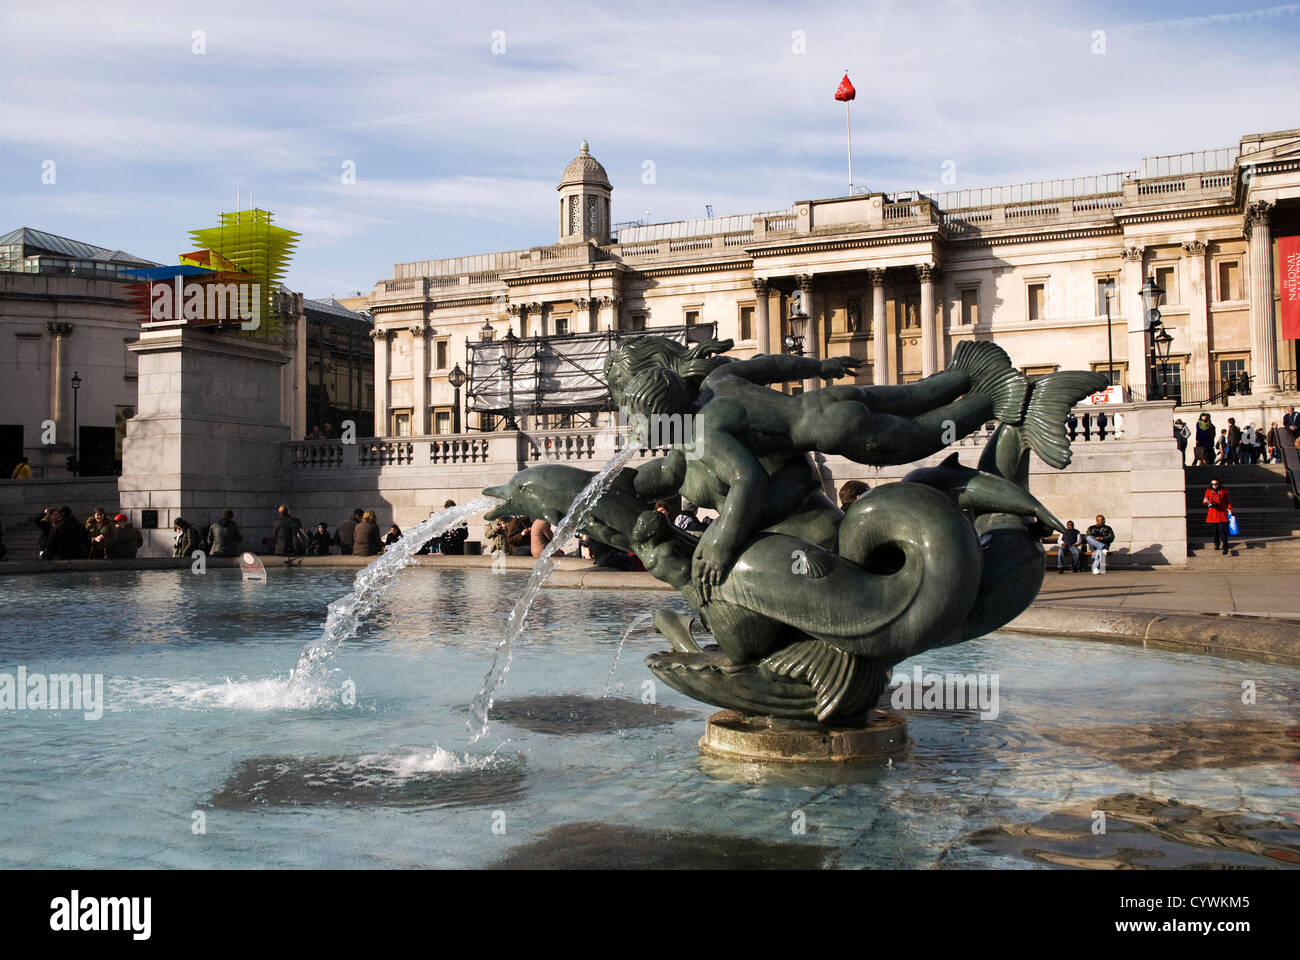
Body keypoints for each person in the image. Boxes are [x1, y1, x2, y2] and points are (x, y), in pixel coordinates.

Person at [1203, 477, 1233, 555]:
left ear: (1219, 483)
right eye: (1213, 484)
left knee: (1222, 531)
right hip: (1213, 514)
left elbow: (1228, 501)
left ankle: (1225, 547)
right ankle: (1217, 544)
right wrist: (1207, 502)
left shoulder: (1224, 490)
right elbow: (1205, 500)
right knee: (1214, 532)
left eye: (1216, 484)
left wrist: (1229, 508)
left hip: (1222, 514)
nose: (1214, 485)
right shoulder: (1208, 490)